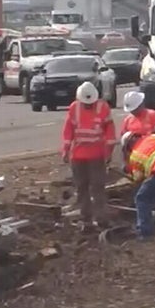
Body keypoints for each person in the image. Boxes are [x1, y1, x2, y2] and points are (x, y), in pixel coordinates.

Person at [61, 81, 116, 229]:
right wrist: (65, 150)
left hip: (96, 156)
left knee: (97, 188)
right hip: (79, 156)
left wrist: (108, 153)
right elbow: (68, 131)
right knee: (82, 188)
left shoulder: (102, 108)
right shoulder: (74, 108)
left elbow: (110, 133)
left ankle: (101, 219)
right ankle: (87, 219)